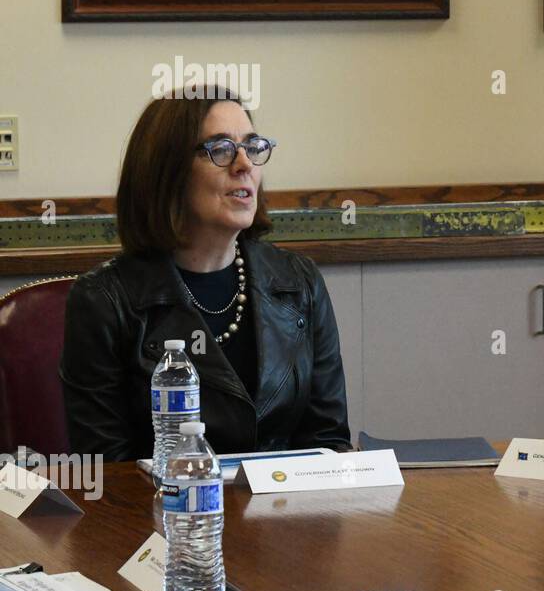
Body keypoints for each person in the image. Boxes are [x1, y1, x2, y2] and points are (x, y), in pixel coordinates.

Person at [61, 89, 351, 461]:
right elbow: (106, 472)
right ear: (167, 171)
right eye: (221, 149)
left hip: (284, 513)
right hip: (167, 514)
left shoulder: (299, 282)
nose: (244, 164)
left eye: (253, 146)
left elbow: (328, 443)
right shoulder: (103, 300)